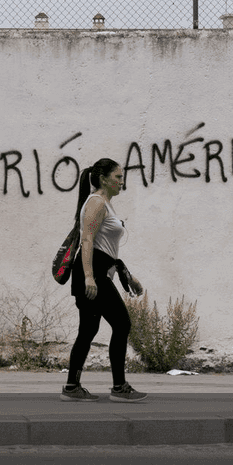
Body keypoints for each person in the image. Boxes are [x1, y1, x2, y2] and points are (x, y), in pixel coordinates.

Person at [61, 158, 147, 402]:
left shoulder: (105, 204)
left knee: (88, 330)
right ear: (103, 179)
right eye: (118, 177)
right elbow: (87, 240)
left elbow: (107, 249)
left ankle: (72, 387)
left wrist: (128, 276)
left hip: (99, 271)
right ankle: (119, 387)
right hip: (92, 273)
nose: (122, 181)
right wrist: (89, 277)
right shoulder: (96, 203)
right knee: (122, 323)